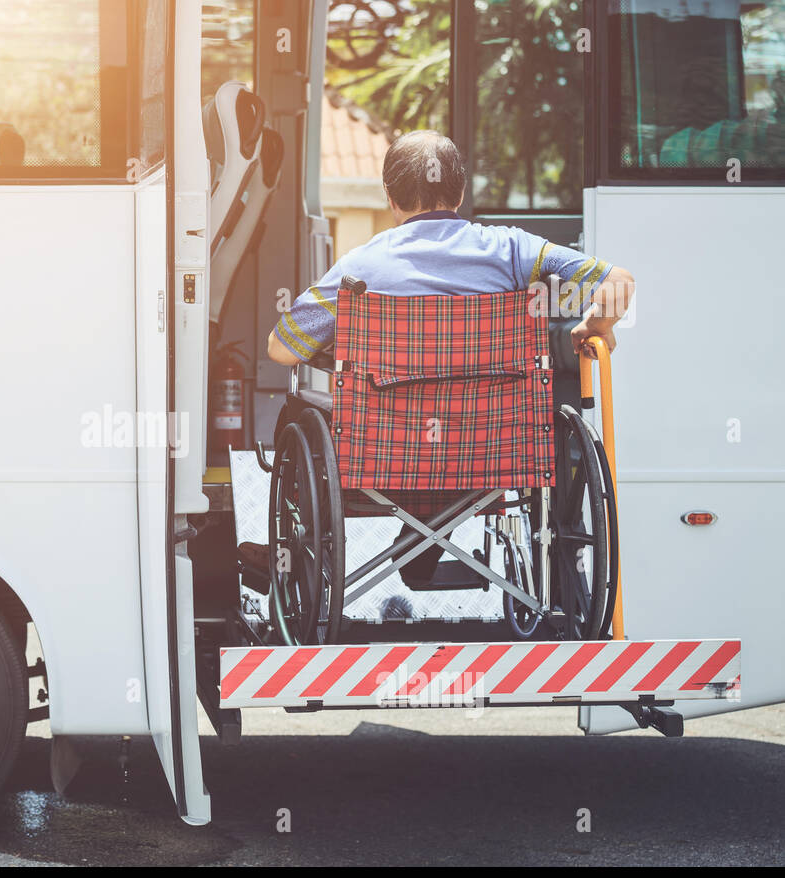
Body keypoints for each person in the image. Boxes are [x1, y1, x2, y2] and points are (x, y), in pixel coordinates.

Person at [266, 129, 635, 589]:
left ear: (390, 198)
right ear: (459, 191)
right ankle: (434, 534)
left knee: (300, 405)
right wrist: (591, 328)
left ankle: (296, 555)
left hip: (385, 455)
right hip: (493, 453)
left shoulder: (359, 268)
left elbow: (282, 349)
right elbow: (619, 282)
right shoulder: (513, 250)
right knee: (472, 424)